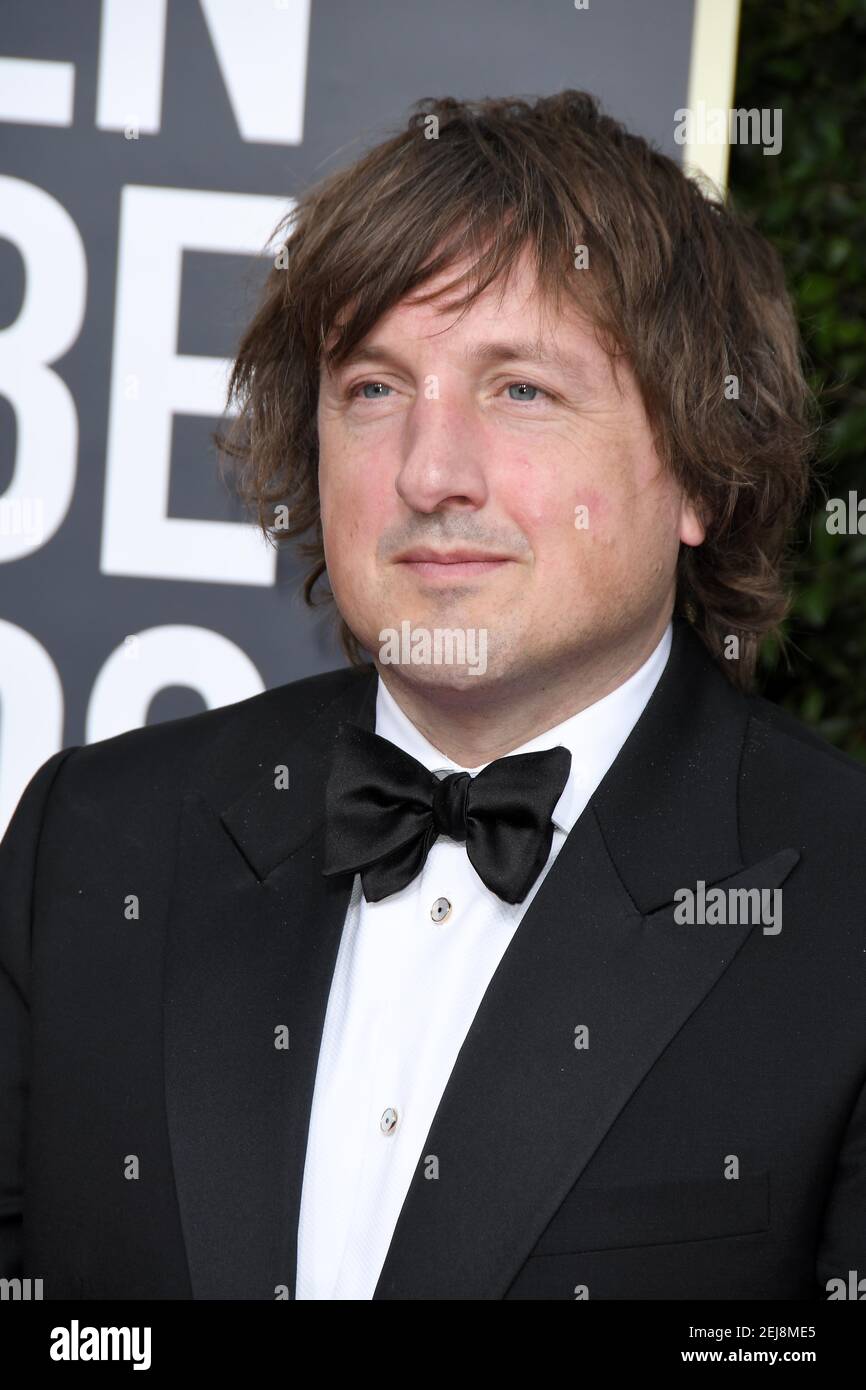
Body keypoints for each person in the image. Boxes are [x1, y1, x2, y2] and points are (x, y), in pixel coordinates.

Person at [1, 91, 864, 1301]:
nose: (428, 470)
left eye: (520, 390)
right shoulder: (92, 838)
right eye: (372, 389)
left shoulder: (839, 906)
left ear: (698, 475)